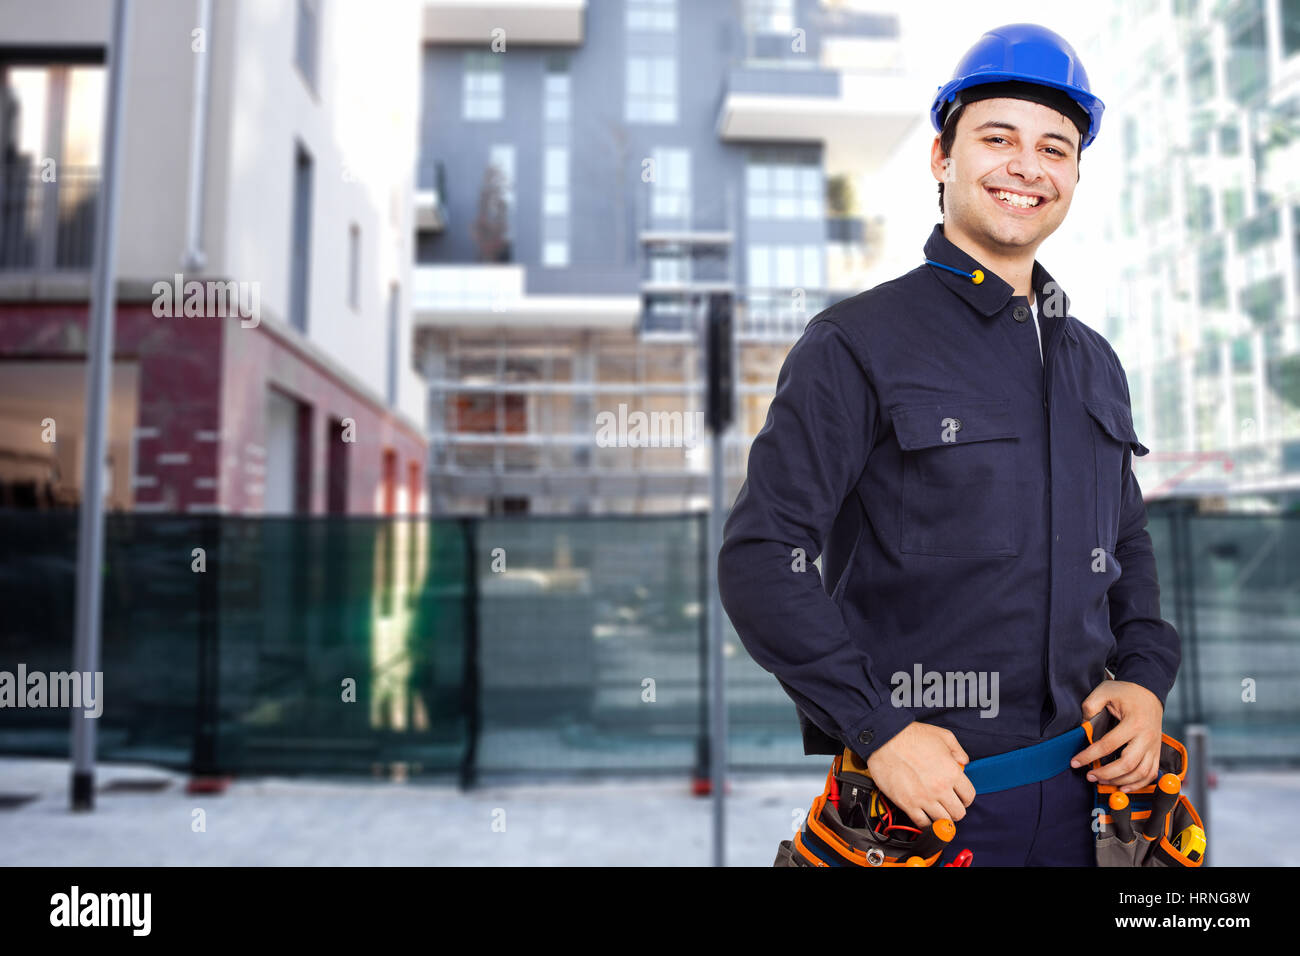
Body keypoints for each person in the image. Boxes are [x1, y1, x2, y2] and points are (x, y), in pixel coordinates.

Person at [717, 23, 1181, 866]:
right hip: (923, 814)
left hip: (1095, 811)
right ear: (942, 157)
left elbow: (1127, 546)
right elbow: (761, 554)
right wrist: (879, 728)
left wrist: (1146, 679)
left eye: (1055, 147)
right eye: (996, 138)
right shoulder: (856, 342)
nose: (1026, 166)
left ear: (1074, 174)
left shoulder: (1094, 363)